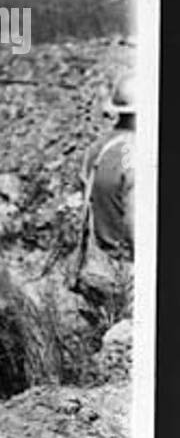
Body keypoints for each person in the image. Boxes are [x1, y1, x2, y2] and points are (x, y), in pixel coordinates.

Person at [73, 72, 135, 321]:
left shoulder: (96, 149)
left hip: (97, 266)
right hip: (126, 272)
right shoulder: (138, 152)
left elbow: (87, 202)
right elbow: (134, 225)